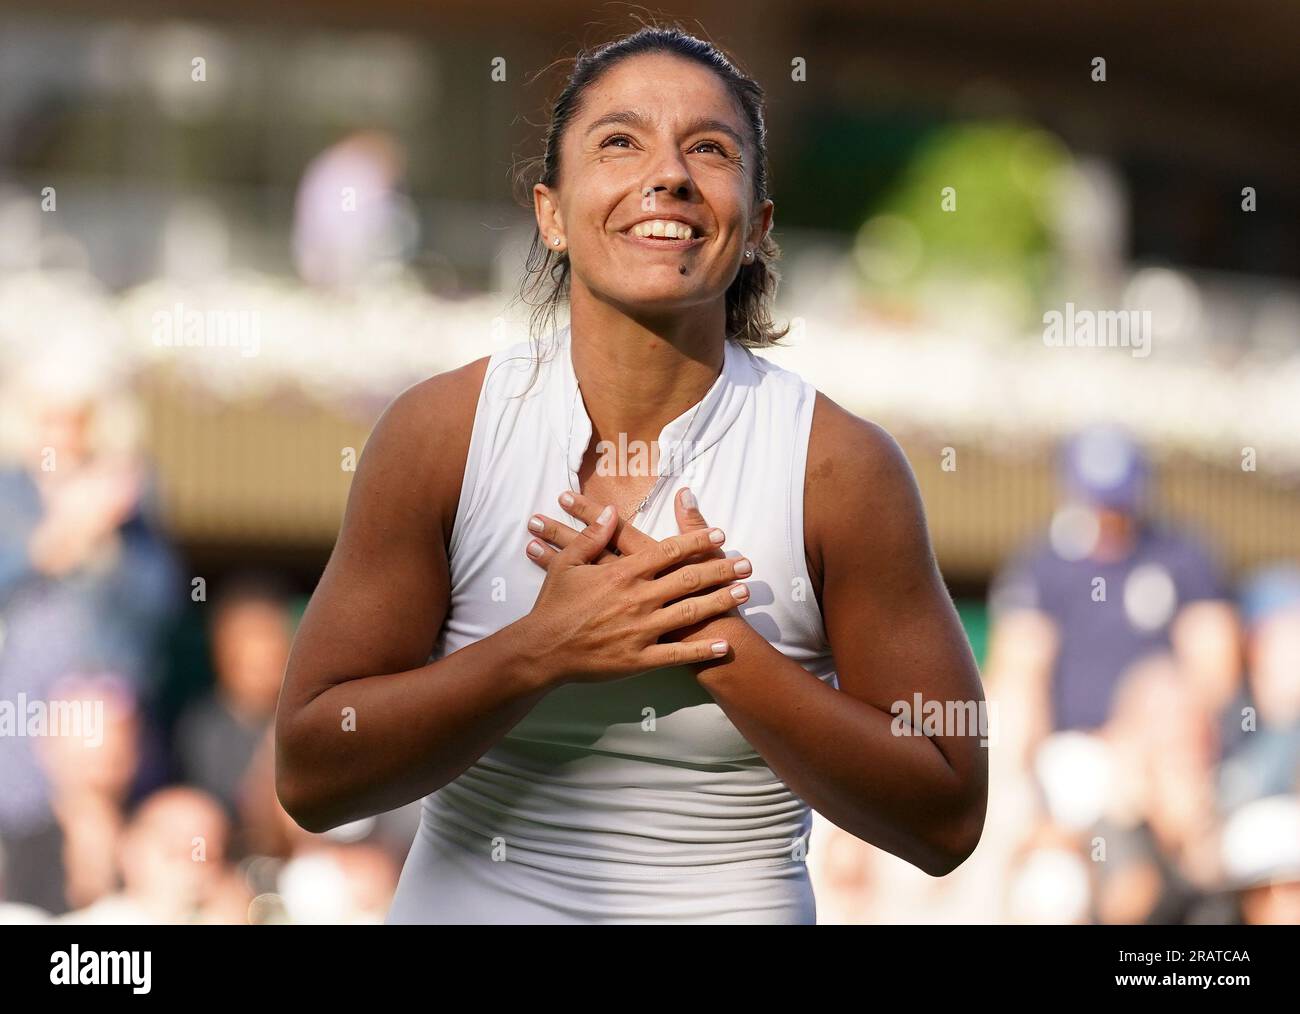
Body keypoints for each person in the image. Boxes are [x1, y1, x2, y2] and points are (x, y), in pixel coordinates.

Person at [276, 25, 987, 924]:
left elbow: (950, 811)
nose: (669, 174)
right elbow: (309, 774)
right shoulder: (440, 432)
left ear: (757, 226)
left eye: (710, 149)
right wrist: (542, 651)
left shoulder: (841, 467)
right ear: (551, 213)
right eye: (619, 141)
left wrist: (704, 638)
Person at [987, 424, 1232, 759]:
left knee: (1168, 697)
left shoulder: (1182, 557)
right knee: (1009, 704)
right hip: (1063, 749)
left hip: (1154, 748)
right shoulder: (1042, 562)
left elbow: (1212, 671)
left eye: (1117, 503)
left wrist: (1132, 736)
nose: (1107, 514)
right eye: (1098, 501)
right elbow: (1019, 660)